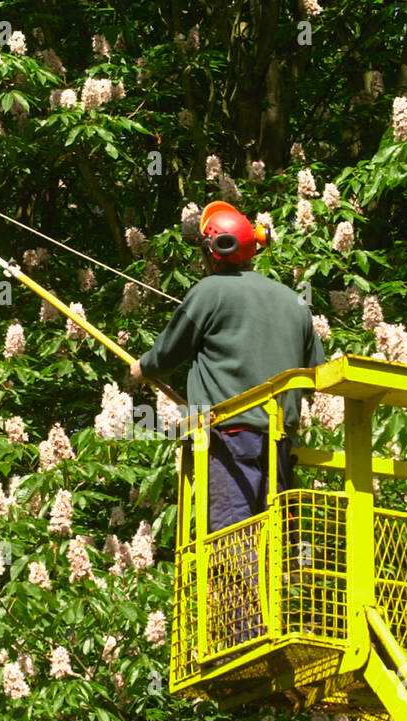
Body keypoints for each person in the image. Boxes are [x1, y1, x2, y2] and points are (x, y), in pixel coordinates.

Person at [131, 201, 326, 649]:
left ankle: (244, 640)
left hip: (229, 436)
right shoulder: (294, 302)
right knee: (273, 534)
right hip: (278, 441)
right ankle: (295, 624)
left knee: (232, 535)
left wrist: (142, 369)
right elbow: (317, 375)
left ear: (213, 250)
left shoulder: (209, 292)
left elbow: (167, 353)